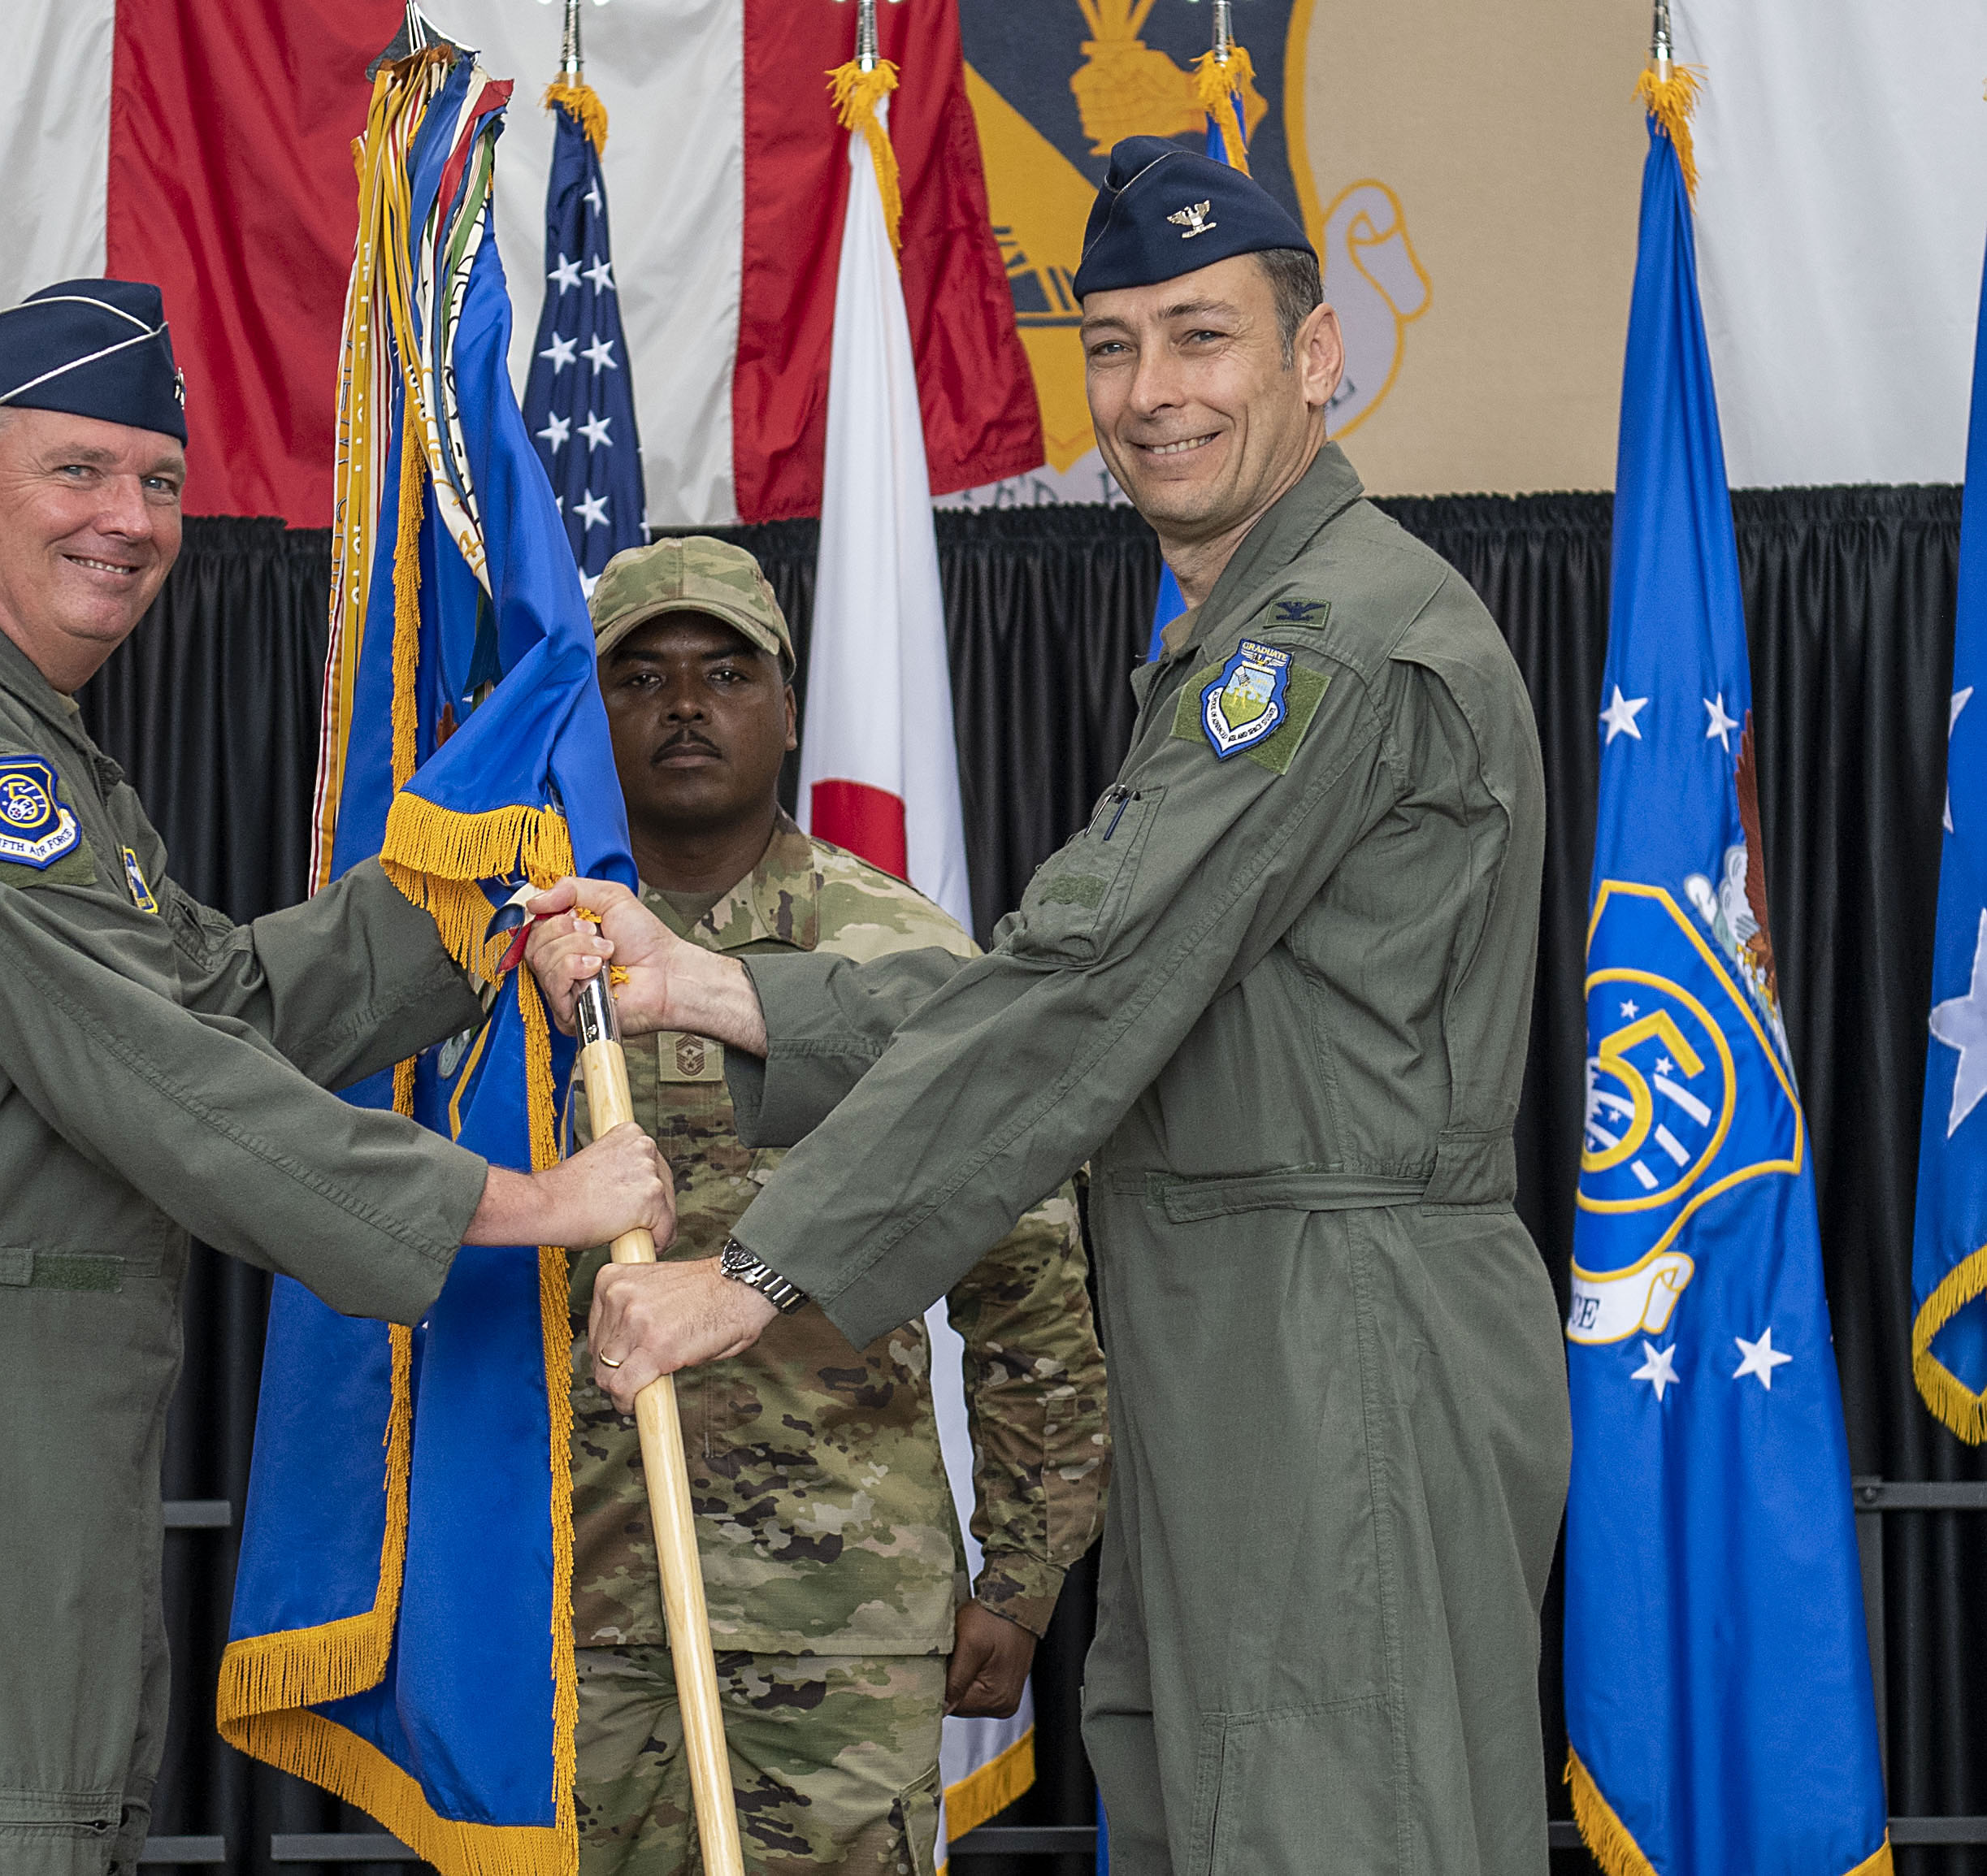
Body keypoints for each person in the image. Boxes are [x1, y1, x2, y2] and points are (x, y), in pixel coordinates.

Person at [534, 141, 1567, 1875]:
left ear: (1315, 357)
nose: (1148, 393)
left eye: (1199, 337)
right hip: (1234, 1342)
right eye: (1110, 346)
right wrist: (714, 986)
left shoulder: (1320, 641)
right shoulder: (1240, 632)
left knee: (1333, 1827)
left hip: (1333, 1349)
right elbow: (1077, 999)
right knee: (1217, 1814)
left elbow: (1080, 999)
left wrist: (754, 1278)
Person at [0, 279, 673, 1876]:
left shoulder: (18, 739)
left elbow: (208, 1002)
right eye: (76, 472)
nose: (126, 520)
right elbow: (157, 1075)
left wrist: (469, 907)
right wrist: (517, 1202)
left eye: (157, 482)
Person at [566, 539, 1109, 1876]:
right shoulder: (520, 952)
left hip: (834, 1611)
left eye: (726, 673)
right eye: (640, 676)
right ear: (591, 712)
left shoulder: (902, 957)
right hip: (562, 1605)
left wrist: (1021, 1575)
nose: (685, 706)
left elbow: (1028, 1291)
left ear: (789, 707)